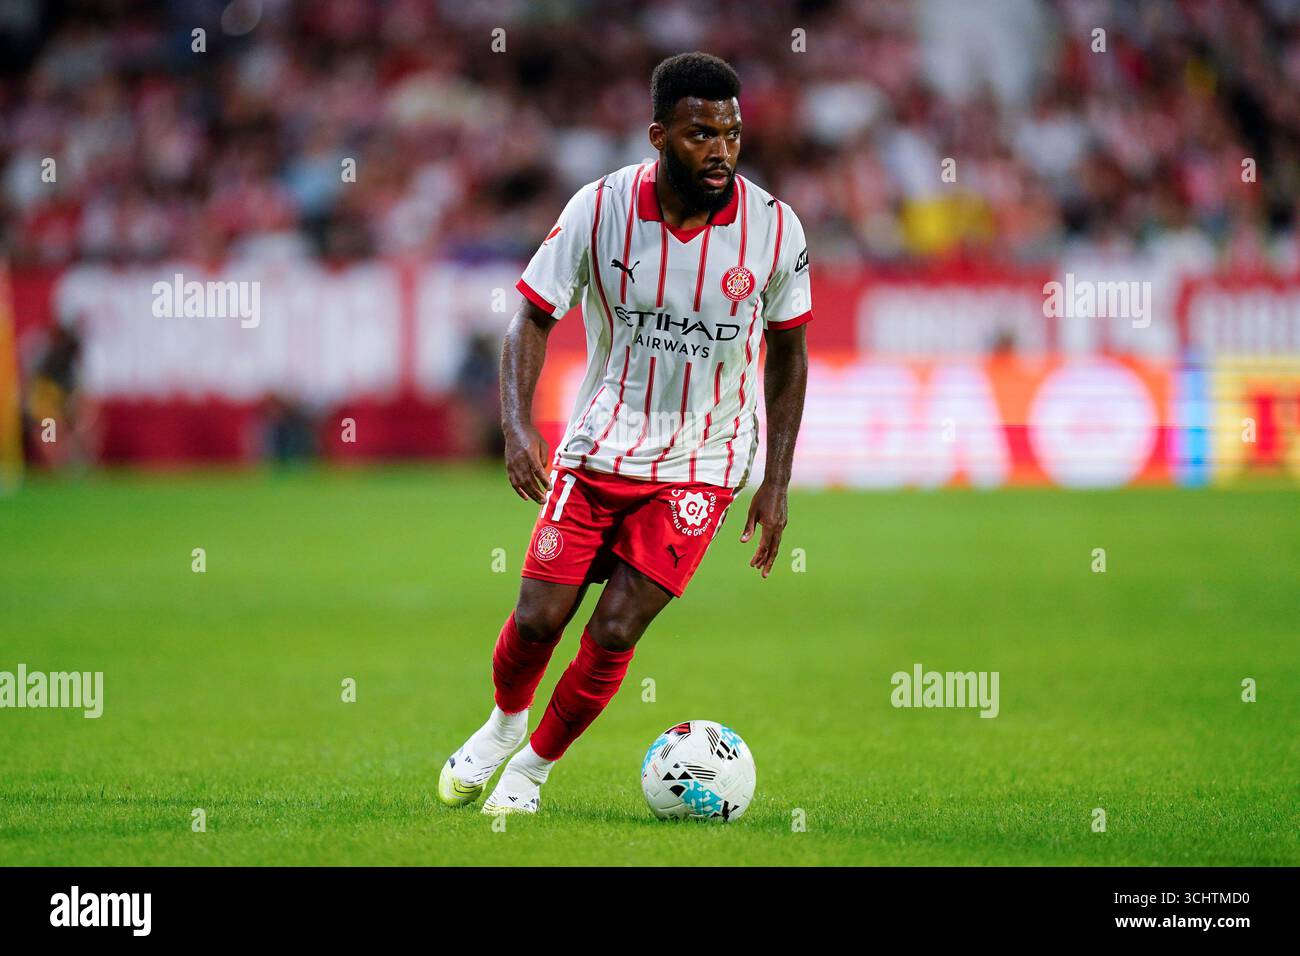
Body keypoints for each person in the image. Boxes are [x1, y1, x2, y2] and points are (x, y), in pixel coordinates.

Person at [439, 52, 811, 814]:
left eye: (733, 134)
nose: (721, 151)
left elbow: (790, 351)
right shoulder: (598, 209)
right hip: (602, 440)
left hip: (704, 457)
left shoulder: (775, 229)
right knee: (540, 616)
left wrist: (773, 481)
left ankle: (531, 773)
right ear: (658, 134)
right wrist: (517, 428)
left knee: (615, 628)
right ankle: (505, 724)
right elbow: (532, 316)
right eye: (701, 133)